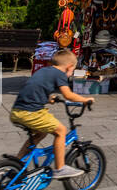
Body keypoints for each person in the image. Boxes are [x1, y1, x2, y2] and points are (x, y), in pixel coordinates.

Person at [8, 49, 94, 178]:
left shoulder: (43, 71)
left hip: (17, 112)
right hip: (31, 113)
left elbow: (33, 90)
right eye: (72, 71)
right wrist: (85, 100)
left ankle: (16, 163)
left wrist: (48, 98)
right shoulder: (59, 74)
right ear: (69, 67)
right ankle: (60, 168)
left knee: (39, 134)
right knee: (61, 131)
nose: (71, 74)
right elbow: (68, 95)